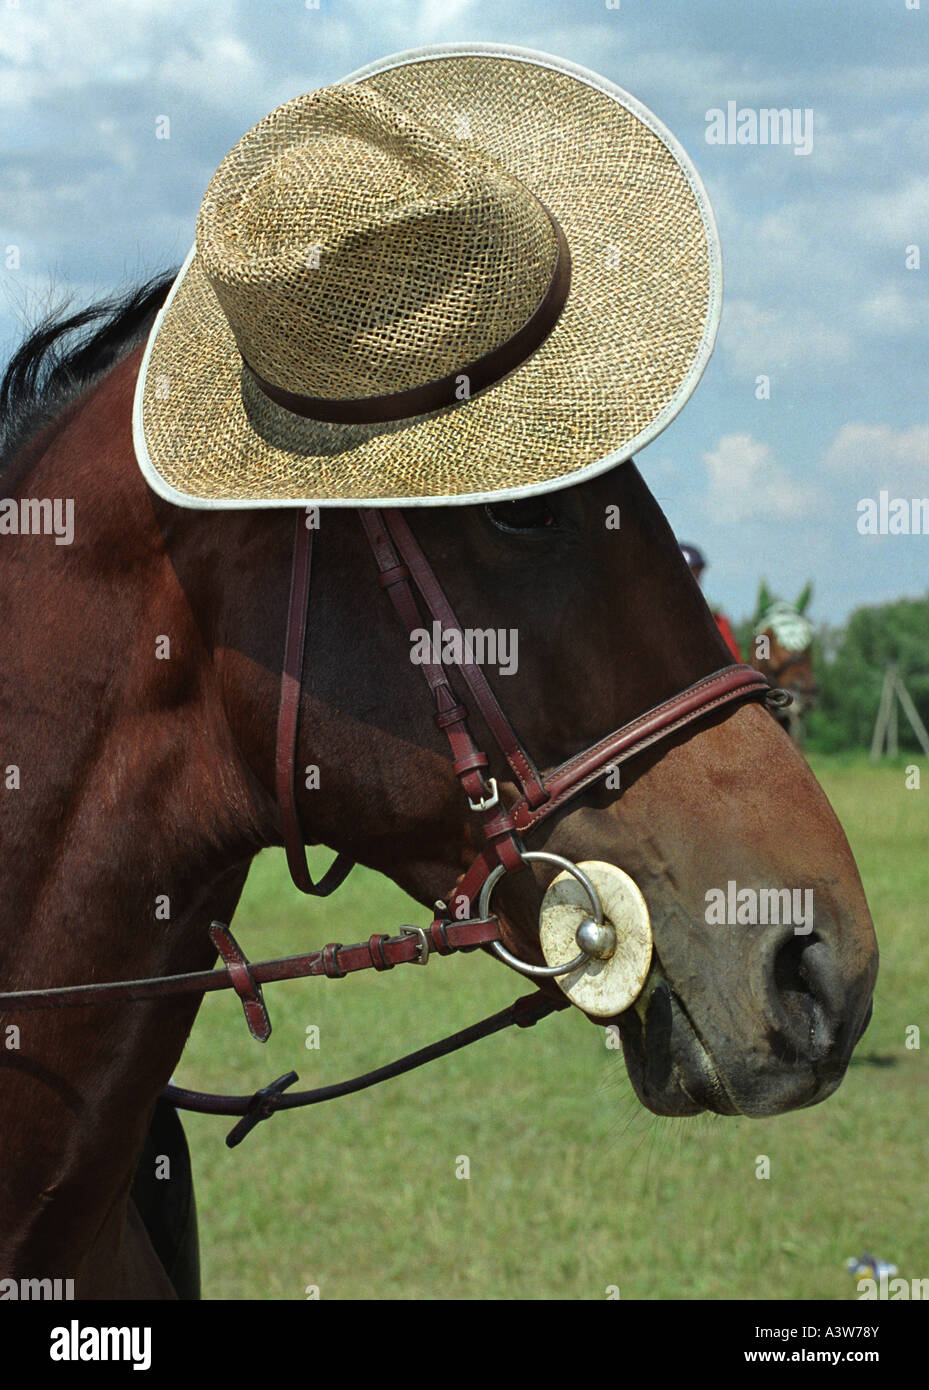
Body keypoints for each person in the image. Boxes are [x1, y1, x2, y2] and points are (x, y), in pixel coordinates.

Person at [680, 543, 743, 661]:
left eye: (695, 574)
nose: (692, 581)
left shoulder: (718, 625)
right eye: (685, 574)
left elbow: (735, 669)